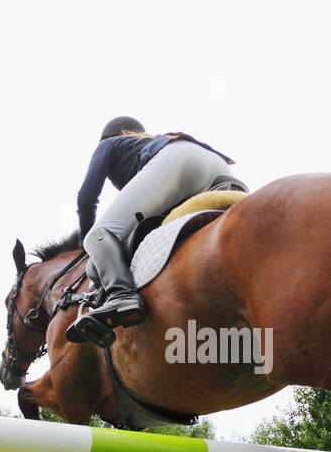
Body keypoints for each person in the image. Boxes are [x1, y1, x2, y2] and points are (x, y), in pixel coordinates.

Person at [65, 117, 236, 346]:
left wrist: (88, 242)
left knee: (99, 234)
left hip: (178, 161)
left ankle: (122, 295)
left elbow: (86, 198)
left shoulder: (108, 144)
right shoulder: (155, 140)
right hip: (218, 167)